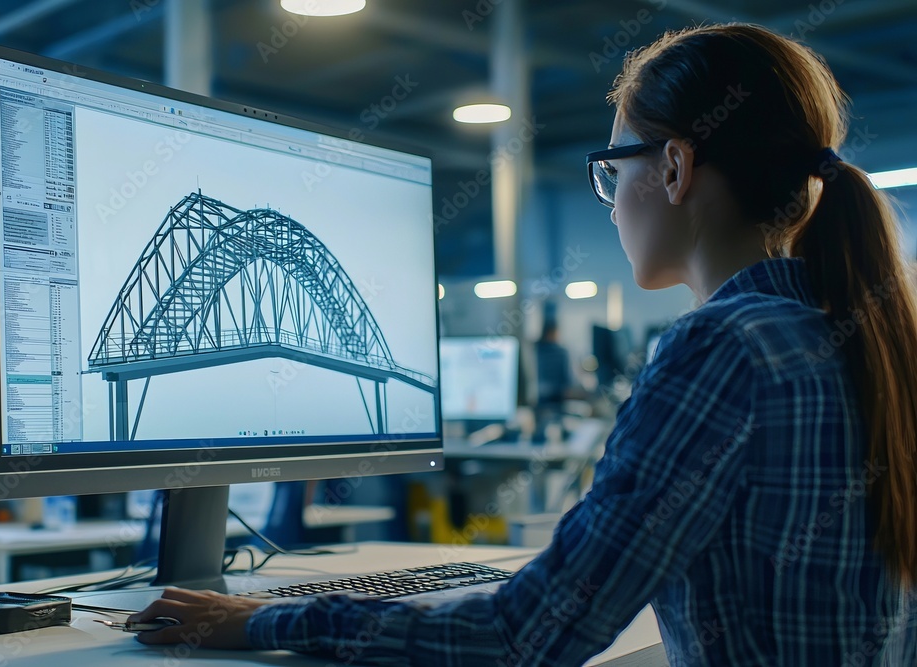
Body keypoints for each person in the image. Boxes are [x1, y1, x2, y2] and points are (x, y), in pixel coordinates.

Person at [128, 24, 917, 665]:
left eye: (612, 172)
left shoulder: (723, 350)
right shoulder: (865, 336)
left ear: (675, 166)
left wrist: (268, 620)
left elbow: (526, 636)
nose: (610, 206)